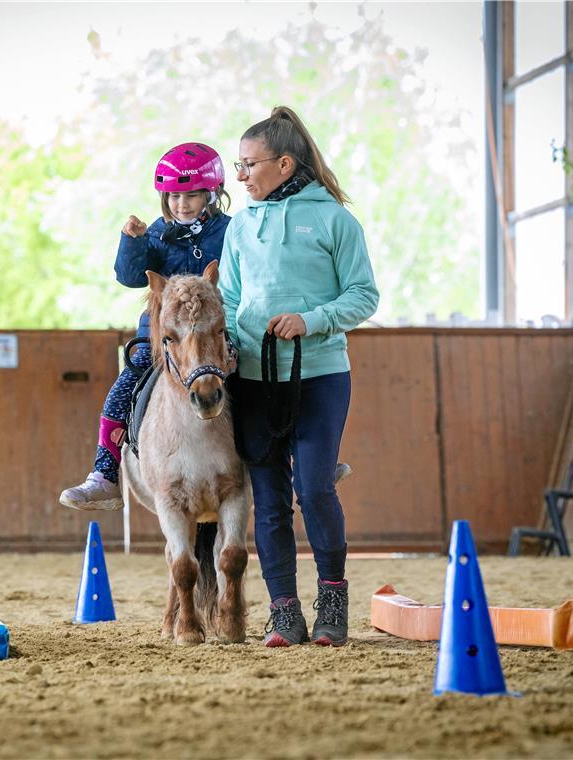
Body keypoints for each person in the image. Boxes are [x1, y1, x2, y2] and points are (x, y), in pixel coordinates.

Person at [219, 106, 379, 648]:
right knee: (268, 500)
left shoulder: (335, 221)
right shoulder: (241, 225)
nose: (239, 176)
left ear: (284, 165)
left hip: (320, 377)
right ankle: (283, 611)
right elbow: (232, 296)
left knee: (313, 489)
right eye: (238, 165)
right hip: (255, 382)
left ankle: (332, 601)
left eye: (248, 165)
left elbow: (363, 295)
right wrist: (233, 349)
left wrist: (312, 320)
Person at [59, 142, 232, 511]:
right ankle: (104, 474)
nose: (181, 205)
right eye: (173, 197)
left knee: (262, 382)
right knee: (124, 387)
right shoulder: (157, 233)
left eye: (192, 196)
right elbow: (130, 277)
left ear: (212, 194)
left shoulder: (230, 231)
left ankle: (295, 462)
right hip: (163, 337)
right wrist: (132, 242)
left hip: (216, 335)